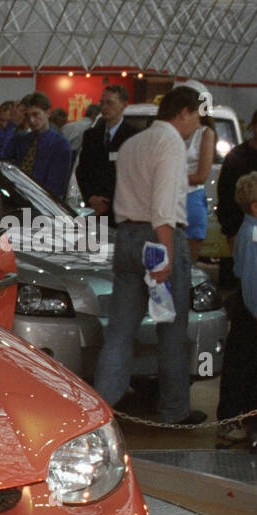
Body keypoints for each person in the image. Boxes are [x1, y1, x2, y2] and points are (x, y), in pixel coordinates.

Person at [93, 84, 205, 426]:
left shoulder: (132, 143)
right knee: (171, 330)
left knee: (119, 332)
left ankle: (101, 414)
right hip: (158, 239)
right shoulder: (170, 144)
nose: (198, 125)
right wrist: (167, 252)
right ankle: (174, 410)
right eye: (197, 116)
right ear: (183, 112)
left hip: (126, 237)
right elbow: (163, 207)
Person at [215, 171, 257, 449]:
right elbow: (252, 282)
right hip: (251, 314)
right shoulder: (253, 234)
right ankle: (240, 424)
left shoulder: (246, 230)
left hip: (247, 311)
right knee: (245, 370)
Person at [77, 84, 137, 223]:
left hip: (120, 210)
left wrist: (108, 201)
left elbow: (132, 174)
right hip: (93, 208)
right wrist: (91, 197)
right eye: (102, 103)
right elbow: (82, 170)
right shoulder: (91, 135)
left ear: (124, 105)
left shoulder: (133, 136)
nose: (104, 108)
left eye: (109, 103)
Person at [216, 107, 257, 289]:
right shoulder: (237, 157)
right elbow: (225, 197)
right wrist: (231, 233)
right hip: (241, 229)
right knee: (238, 284)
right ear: (254, 127)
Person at [177, 80, 217, 264]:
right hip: (165, 199)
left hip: (191, 199)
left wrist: (168, 177)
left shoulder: (205, 133)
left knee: (186, 264)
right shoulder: (170, 130)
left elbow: (202, 175)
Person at [4, 91, 72, 198]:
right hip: (17, 197)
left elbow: (56, 185)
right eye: (27, 115)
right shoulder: (22, 140)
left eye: (36, 114)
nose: (31, 120)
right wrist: (13, 123)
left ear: (48, 113)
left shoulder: (60, 144)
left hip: (43, 203)